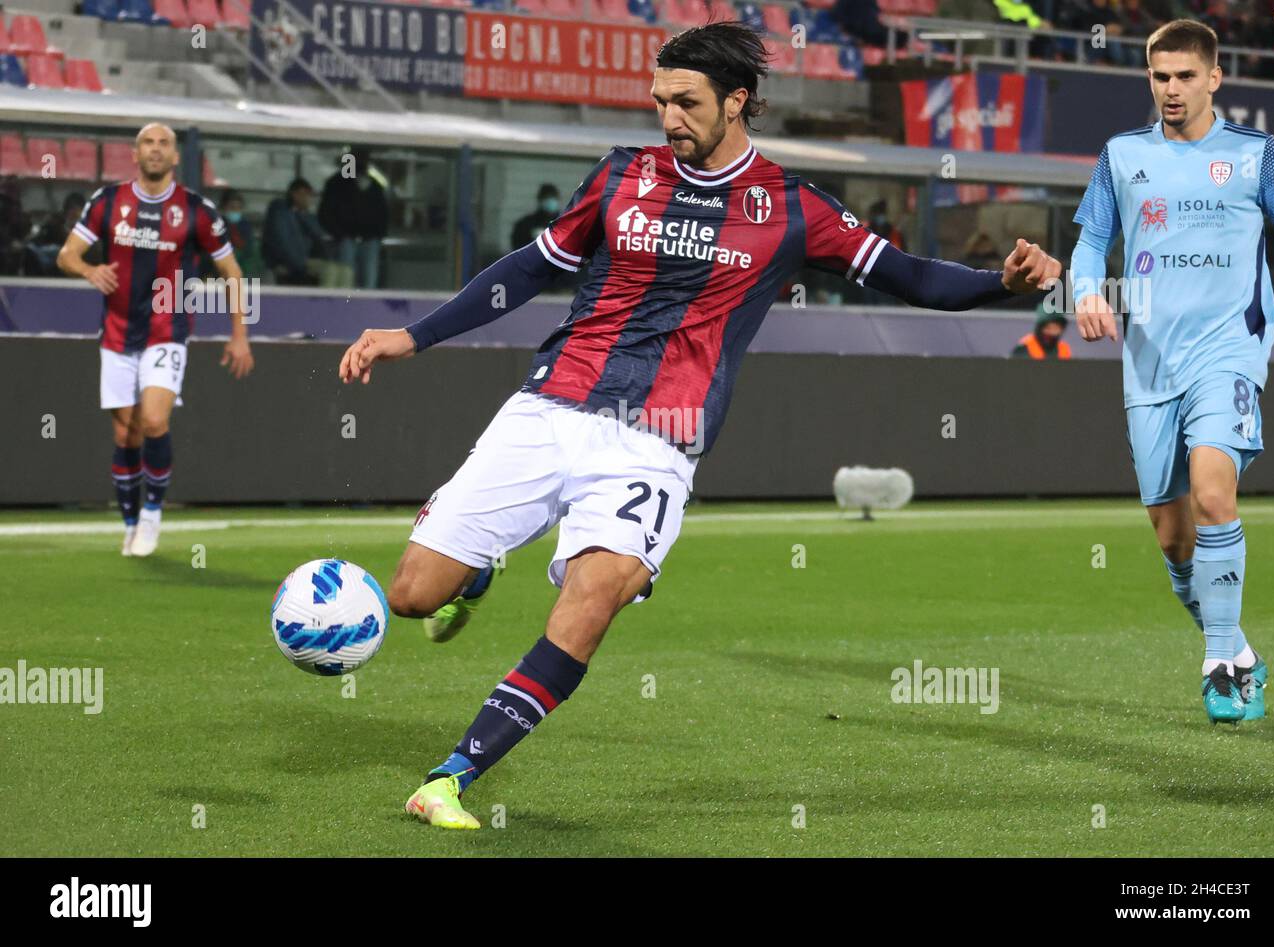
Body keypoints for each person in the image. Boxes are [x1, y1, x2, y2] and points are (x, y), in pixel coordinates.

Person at [338, 21, 1060, 830]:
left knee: (593, 598)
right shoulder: (621, 177)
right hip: (552, 407)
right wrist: (414, 335)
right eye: (659, 101)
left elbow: (915, 278)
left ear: (737, 101)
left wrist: (1004, 280)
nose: (668, 117)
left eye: (686, 102)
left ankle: (451, 775)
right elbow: (530, 268)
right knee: (410, 594)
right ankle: (472, 574)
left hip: (659, 440)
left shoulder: (792, 208)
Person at [1070, 20, 1274, 724]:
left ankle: (1217, 662)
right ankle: (1238, 655)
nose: (1172, 89)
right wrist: (1083, 290)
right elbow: (1089, 243)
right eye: (1160, 76)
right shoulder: (1122, 156)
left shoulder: (1260, 156)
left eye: (1185, 76)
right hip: (1149, 360)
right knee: (1176, 543)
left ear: (1215, 77)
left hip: (1228, 350)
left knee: (1212, 492)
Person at [56, 122, 254, 557]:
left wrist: (240, 335)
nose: (157, 149)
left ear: (177, 156)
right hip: (117, 333)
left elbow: (233, 273)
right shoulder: (108, 201)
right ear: (135, 152)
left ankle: (151, 515)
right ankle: (129, 522)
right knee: (126, 435)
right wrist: (90, 270)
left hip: (168, 331)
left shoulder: (197, 211)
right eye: (149, 142)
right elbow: (66, 254)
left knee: (154, 422)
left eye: (165, 143)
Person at [318, 148, 387, 289]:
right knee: (346, 282)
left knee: (367, 283)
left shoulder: (375, 185)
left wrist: (377, 235)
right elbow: (325, 212)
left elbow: (383, 213)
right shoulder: (337, 184)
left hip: (368, 240)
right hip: (347, 240)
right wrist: (340, 234)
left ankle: (363, 309)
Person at [263, 178, 350, 288]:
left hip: (305, 259)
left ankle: (343, 304)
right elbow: (283, 242)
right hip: (289, 262)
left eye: (309, 195)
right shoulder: (280, 213)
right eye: (304, 195)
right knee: (330, 271)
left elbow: (319, 235)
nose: (308, 199)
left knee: (346, 271)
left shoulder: (305, 215)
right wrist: (298, 264)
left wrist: (304, 215)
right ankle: (324, 304)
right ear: (294, 194)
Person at [217, 189, 261, 278]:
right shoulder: (216, 226)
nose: (235, 211)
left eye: (238, 208)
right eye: (232, 208)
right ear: (223, 208)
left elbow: (250, 252)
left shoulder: (245, 227)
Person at [510, 184, 560, 250]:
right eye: (546, 198)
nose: (550, 202)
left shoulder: (564, 224)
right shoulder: (525, 224)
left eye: (552, 198)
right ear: (540, 200)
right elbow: (517, 246)